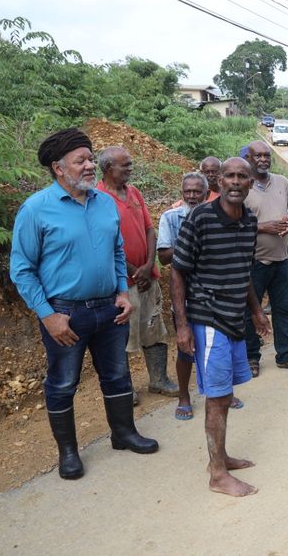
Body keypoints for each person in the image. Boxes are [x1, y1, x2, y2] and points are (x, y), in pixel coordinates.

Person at [10, 128, 157, 481]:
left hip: (109, 308)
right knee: (62, 383)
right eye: (82, 161)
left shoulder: (104, 202)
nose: (90, 165)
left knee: (118, 373)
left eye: (91, 158)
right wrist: (48, 316)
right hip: (66, 314)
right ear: (59, 169)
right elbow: (22, 270)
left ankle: (123, 433)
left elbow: (117, 251)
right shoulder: (36, 210)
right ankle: (69, 452)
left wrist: (122, 292)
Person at [171, 157, 270, 497]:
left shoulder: (249, 222)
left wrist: (256, 310)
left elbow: (243, 273)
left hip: (234, 319)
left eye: (243, 176)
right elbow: (178, 271)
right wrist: (182, 325)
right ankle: (216, 474)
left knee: (225, 394)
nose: (236, 181)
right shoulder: (200, 218)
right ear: (220, 181)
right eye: (229, 175)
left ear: (250, 182)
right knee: (216, 398)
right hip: (207, 319)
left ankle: (222, 456)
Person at [158, 172, 244, 420]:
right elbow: (164, 257)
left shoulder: (222, 216)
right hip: (186, 296)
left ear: (207, 193)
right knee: (187, 348)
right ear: (182, 193)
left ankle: (222, 393)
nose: (192, 196)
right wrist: (196, 243)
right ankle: (184, 395)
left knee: (223, 346)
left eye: (198, 191)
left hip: (218, 297)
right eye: (188, 191)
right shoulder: (170, 217)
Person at [96, 146, 177, 404]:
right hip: (122, 282)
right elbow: (105, 243)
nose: (131, 169)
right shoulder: (97, 199)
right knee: (123, 336)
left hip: (147, 277)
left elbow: (149, 230)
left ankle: (158, 379)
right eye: (125, 165)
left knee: (154, 328)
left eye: (130, 164)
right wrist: (134, 270)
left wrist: (147, 265)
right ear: (108, 169)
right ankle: (126, 388)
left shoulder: (134, 192)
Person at [242, 140, 288, 377]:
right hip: (254, 262)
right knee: (251, 310)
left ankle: (285, 354)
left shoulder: (282, 182)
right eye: (257, 156)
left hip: (281, 260)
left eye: (266, 155)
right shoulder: (243, 187)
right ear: (248, 159)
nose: (262, 160)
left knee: (282, 308)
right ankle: (251, 356)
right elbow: (234, 224)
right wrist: (264, 227)